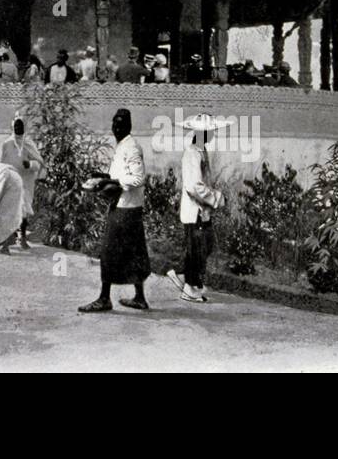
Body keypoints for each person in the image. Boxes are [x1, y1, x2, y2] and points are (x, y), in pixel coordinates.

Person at [80, 108, 151, 312]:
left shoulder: (132, 148)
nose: (116, 127)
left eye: (121, 124)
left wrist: (111, 181)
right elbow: (120, 173)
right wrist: (101, 176)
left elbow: (138, 178)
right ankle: (140, 297)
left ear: (129, 126)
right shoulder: (122, 146)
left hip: (126, 208)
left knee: (109, 251)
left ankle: (104, 298)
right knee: (134, 252)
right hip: (125, 206)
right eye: (114, 123)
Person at [166, 115, 229, 302]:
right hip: (196, 211)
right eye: (210, 132)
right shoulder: (192, 153)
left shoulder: (201, 152)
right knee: (198, 248)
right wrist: (216, 198)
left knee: (204, 246)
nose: (212, 135)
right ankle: (189, 286)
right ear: (201, 133)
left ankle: (187, 279)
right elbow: (194, 186)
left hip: (201, 210)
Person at [0, 116, 44, 249]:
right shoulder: (6, 144)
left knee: (23, 212)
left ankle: (22, 238)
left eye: (21, 126)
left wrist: (29, 164)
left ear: (24, 128)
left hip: (25, 184)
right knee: (8, 211)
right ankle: (7, 241)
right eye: (16, 126)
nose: (18, 129)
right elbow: (1, 163)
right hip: (11, 183)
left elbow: (39, 163)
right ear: (12, 128)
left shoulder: (29, 144)